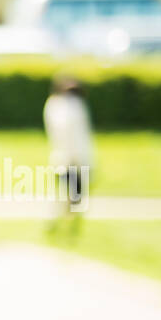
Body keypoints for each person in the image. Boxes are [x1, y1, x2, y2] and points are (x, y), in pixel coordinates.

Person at [42, 75, 94, 240]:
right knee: (70, 196)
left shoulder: (57, 106)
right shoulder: (67, 107)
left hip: (67, 158)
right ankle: (63, 225)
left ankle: (65, 225)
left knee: (70, 197)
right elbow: (74, 137)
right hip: (70, 159)